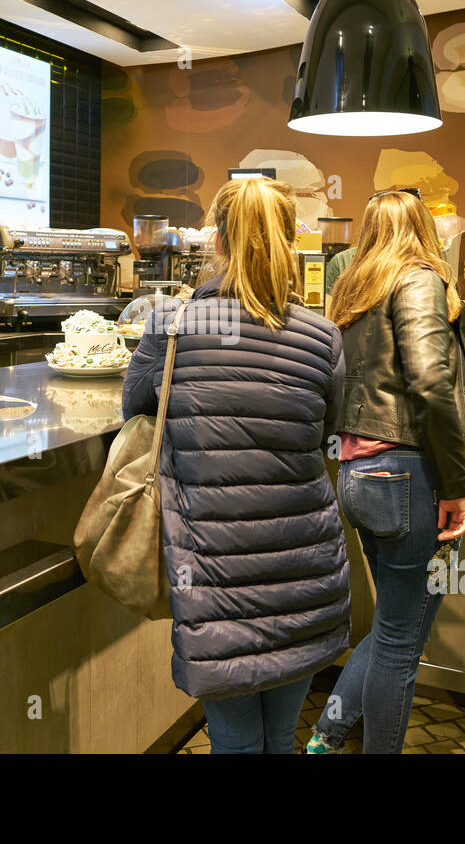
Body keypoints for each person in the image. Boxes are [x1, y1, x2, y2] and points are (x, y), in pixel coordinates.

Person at [122, 176, 350, 754]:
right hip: (304, 571)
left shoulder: (171, 326)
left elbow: (137, 415)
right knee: (282, 736)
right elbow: (327, 435)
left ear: (217, 241)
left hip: (211, 576)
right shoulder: (323, 338)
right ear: (288, 244)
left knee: (234, 740)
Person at [306, 189, 465, 754]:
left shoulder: (351, 289)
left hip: (357, 477)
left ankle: (325, 737)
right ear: (427, 232)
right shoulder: (418, 278)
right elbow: (431, 382)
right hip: (409, 475)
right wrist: (456, 485)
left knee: (391, 630)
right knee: (401, 642)